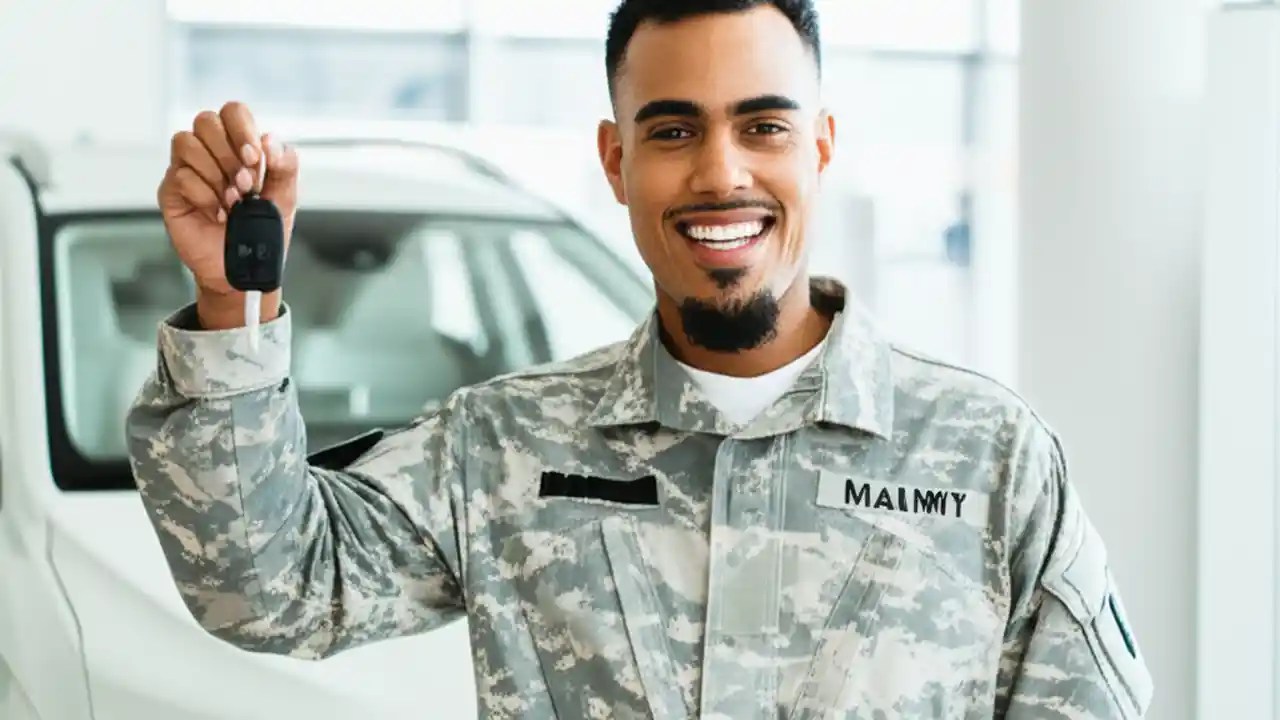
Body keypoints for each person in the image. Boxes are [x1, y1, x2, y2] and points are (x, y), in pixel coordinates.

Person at [126, 1, 1154, 718]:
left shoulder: (990, 457)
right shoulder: (503, 445)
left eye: (763, 126)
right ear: (616, 161)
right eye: (673, 131)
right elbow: (265, 590)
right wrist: (230, 303)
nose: (720, 172)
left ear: (820, 148)